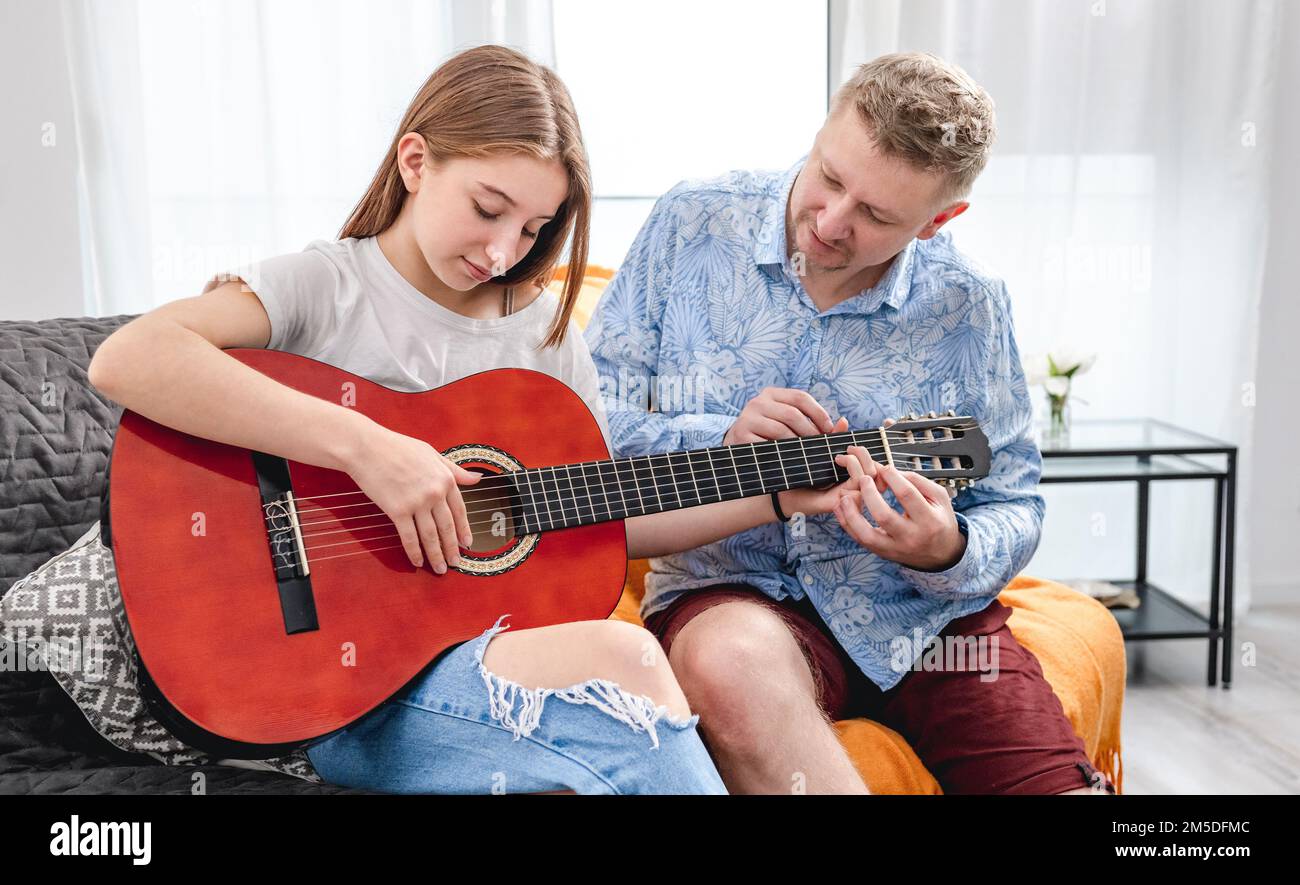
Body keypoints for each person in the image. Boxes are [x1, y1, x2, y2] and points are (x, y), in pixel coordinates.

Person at [77, 45, 871, 795]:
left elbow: (603, 517)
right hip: (323, 684)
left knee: (620, 676)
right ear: (416, 162)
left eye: (530, 229)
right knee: (625, 658)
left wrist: (772, 495)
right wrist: (367, 448)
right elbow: (129, 358)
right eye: (488, 209)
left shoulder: (542, 336)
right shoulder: (330, 286)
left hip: (474, 665)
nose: (501, 251)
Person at [585, 51, 1116, 795]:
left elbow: (1017, 501)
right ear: (820, 133)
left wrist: (949, 547)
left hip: (930, 624)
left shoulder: (970, 304)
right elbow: (581, 430)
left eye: (876, 215)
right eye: (830, 177)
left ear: (940, 221)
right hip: (732, 594)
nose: (832, 223)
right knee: (727, 660)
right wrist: (720, 436)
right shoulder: (692, 221)